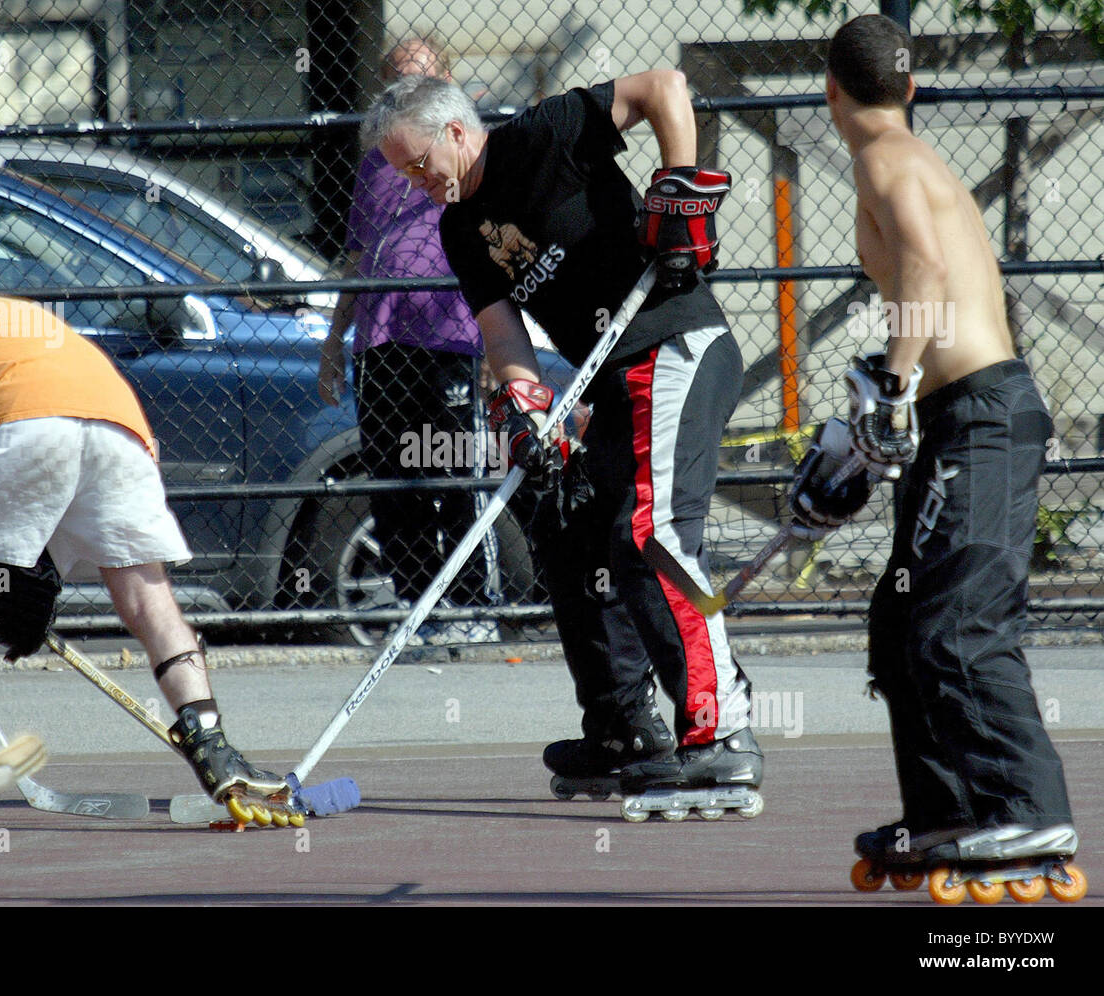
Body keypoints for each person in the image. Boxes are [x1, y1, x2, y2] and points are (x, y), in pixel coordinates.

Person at [360, 70, 762, 806]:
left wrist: (681, 195)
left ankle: (721, 727)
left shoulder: (541, 136)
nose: (416, 183)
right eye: (402, 174)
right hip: (609, 382)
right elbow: (502, 331)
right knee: (569, 527)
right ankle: (622, 730)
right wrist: (521, 402)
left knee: (652, 535)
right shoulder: (457, 227)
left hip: (673, 345)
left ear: (456, 131)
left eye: (420, 164)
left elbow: (666, 87)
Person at [0, 286, 296, 821]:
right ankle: (213, 746)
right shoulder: (7, 320)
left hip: (21, 418)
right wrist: (21, 574)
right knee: (148, 601)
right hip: (120, 431)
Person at [812, 14, 1079, 890]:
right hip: (962, 416)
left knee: (958, 625)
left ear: (830, 89)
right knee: (900, 627)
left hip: (985, 415)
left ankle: (1029, 810)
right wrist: (871, 418)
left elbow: (923, 271)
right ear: (912, 87)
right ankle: (948, 811)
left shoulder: (883, 157)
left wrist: (888, 385)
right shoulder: (912, 156)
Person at [319, 37, 499, 645]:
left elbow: (496, 253)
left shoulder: (467, 153)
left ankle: (473, 604)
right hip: (381, 337)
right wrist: (332, 341)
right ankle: (419, 607)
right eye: (394, 82)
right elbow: (356, 254)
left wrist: (497, 351)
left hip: (449, 335)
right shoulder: (378, 159)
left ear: (446, 82)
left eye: (419, 82)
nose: (403, 95)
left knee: (450, 471)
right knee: (395, 481)